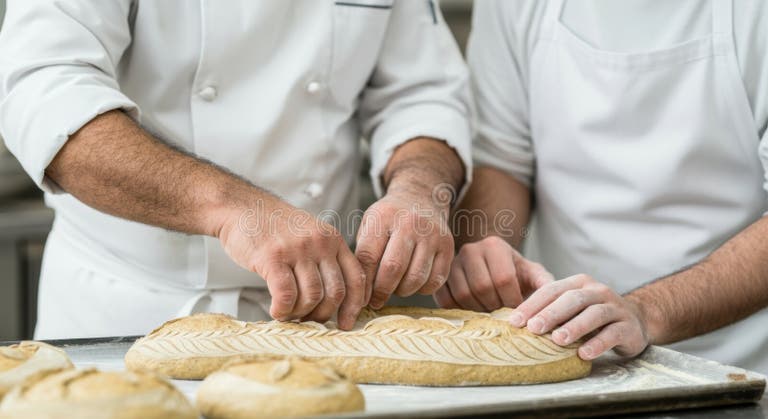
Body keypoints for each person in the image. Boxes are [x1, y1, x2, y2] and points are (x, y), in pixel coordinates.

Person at [0, 1, 471, 338]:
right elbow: (46, 92)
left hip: (317, 322)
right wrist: (232, 209)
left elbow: (421, 94)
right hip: (126, 315)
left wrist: (419, 189)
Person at [437, 0, 768, 374]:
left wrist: (645, 312)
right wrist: (489, 252)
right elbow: (502, 159)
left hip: (738, 366)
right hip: (566, 353)